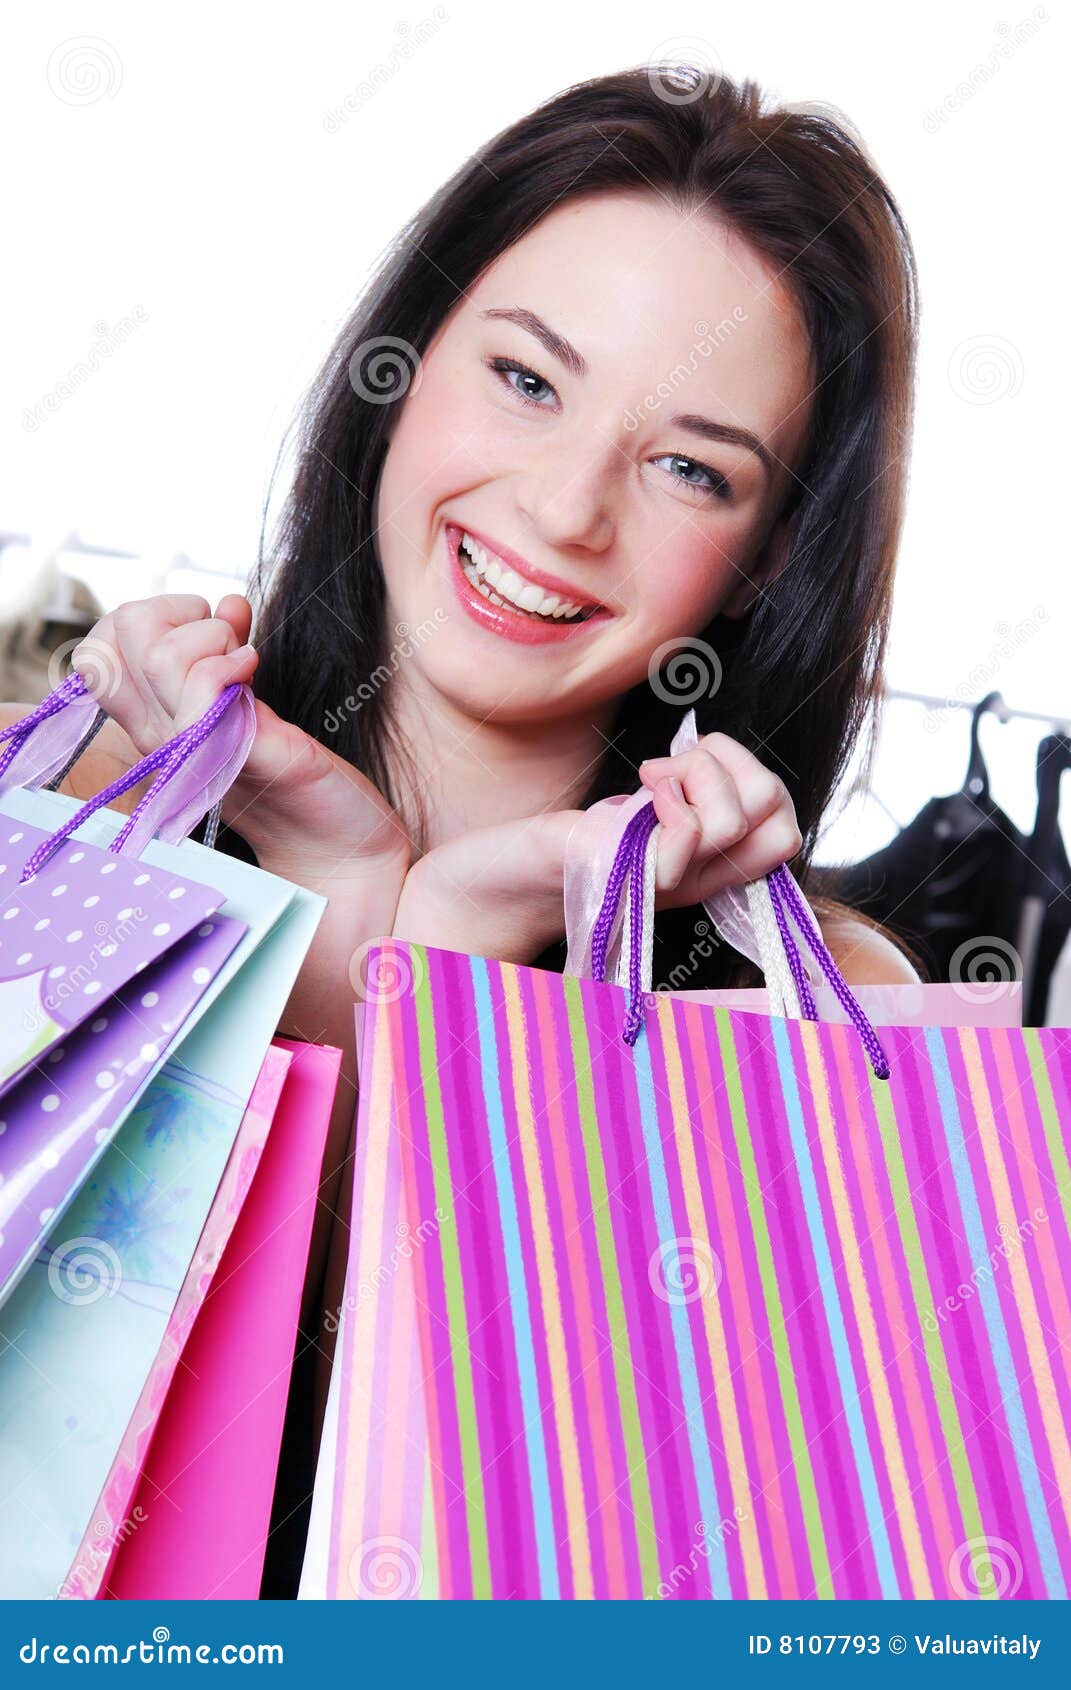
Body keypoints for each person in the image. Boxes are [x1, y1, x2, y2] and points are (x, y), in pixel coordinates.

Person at [1, 65, 923, 1364]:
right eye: (529, 381)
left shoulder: (812, 1010)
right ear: (407, 361)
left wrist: (444, 947)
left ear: (769, 555)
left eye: (688, 468)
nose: (563, 510)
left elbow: (467, 1508)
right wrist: (336, 897)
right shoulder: (70, 825)